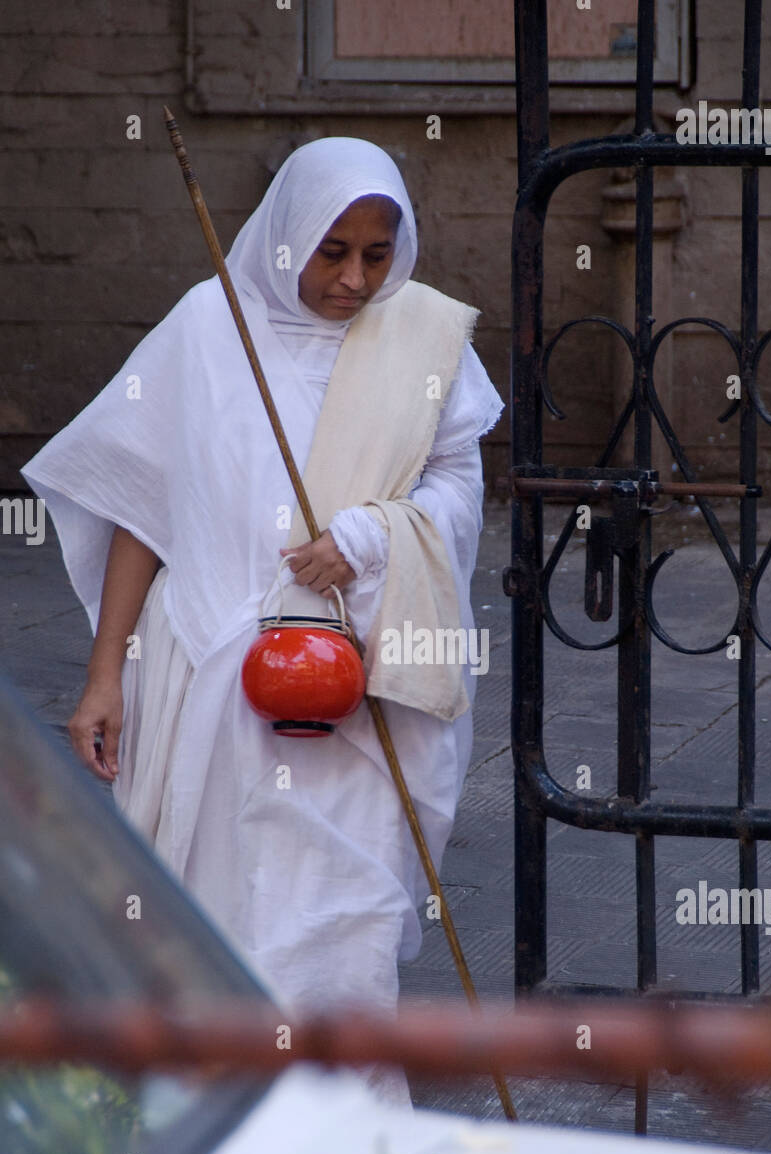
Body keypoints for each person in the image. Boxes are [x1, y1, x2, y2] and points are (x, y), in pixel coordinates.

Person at [21, 137, 503, 1104]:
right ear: (288, 235)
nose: (354, 278)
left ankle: (345, 1127)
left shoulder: (422, 341)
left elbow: (456, 484)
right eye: (332, 251)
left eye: (376, 253)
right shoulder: (209, 327)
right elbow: (141, 510)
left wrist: (371, 536)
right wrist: (106, 675)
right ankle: (221, 1127)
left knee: (348, 922)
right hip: (213, 686)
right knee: (224, 919)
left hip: (359, 687)